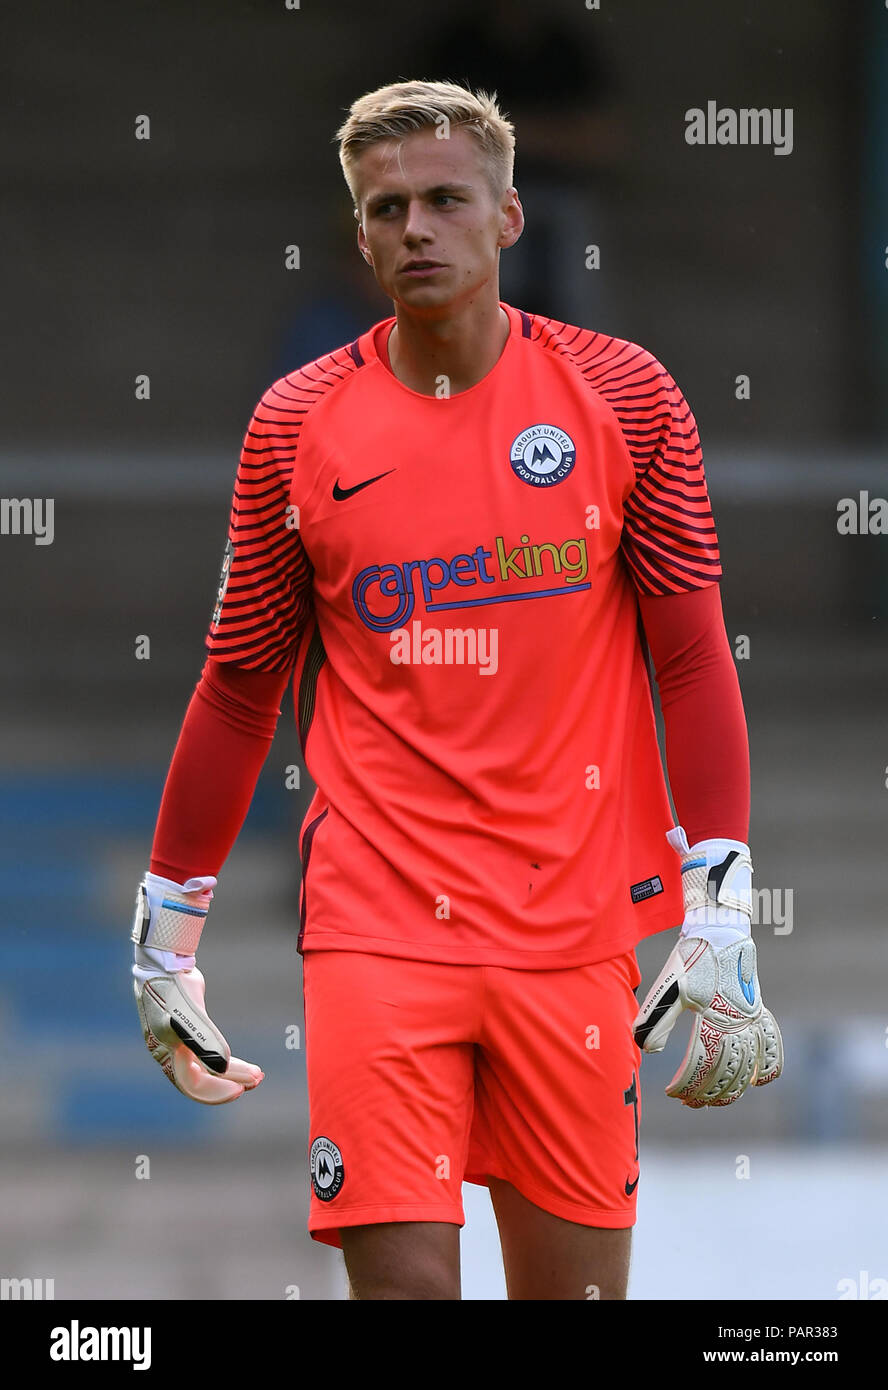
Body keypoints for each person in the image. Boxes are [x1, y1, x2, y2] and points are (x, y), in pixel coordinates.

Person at [130, 79, 783, 1301]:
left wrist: (722, 904)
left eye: (444, 199)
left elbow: (691, 655)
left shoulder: (627, 398)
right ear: (359, 233)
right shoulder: (296, 422)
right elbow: (238, 682)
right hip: (377, 924)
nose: (414, 227)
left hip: (572, 927)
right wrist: (167, 941)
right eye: (386, 208)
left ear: (509, 219)